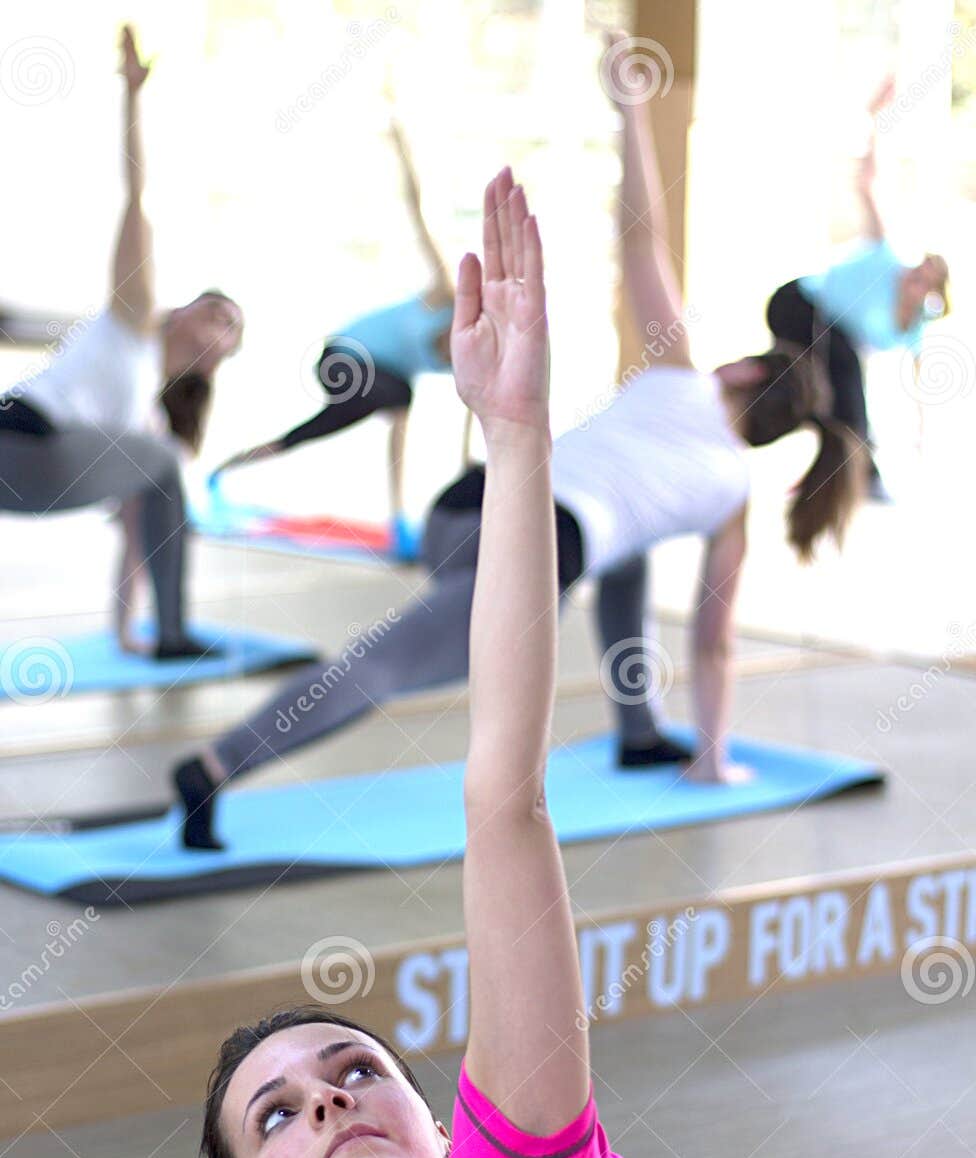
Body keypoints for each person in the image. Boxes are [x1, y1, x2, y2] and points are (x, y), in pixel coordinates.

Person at [199, 167, 954, 1158]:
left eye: (353, 1068)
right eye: (279, 1114)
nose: (332, 1099)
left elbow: (502, 798)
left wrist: (518, 429)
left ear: (445, 1113)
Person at [172, 37, 863, 848]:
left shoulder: (677, 373)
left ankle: (639, 732)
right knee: (386, 665)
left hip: (468, 506)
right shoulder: (732, 496)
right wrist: (714, 761)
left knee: (623, 553)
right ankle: (211, 769)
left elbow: (641, 239)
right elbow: (714, 646)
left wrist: (630, 109)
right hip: (526, 548)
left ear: (746, 370)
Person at [0, 26, 244, 659]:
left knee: (160, 474)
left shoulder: (148, 425)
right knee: (162, 464)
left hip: (37, 472)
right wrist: (133, 95)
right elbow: (136, 196)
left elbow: (139, 539)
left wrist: (122, 634)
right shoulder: (134, 322)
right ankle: (175, 635)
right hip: (21, 438)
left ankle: (161, 634)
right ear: (181, 312)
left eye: (232, 330)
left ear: (217, 363)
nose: (220, 327)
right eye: (216, 312)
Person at [212, 118, 468, 559]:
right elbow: (420, 212)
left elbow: (472, 421)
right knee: (401, 397)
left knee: (310, 433)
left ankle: (222, 471)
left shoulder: (465, 357)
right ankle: (399, 519)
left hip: (377, 384)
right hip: (340, 358)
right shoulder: (446, 295)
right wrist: (401, 144)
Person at [766, 75, 949, 501]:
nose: (911, 276)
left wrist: (922, 437)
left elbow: (921, 386)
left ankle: (829, 477)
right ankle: (864, 474)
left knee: (825, 393)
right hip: (796, 303)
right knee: (844, 375)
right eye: (915, 268)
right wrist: (877, 120)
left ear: (930, 294)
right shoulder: (886, 256)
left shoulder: (913, 327)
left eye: (921, 279)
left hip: (825, 334)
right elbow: (868, 183)